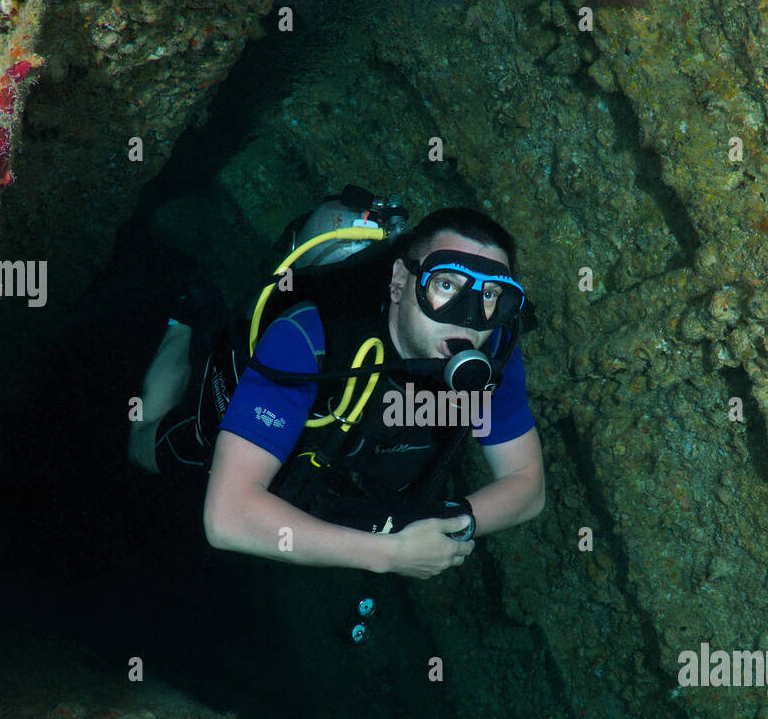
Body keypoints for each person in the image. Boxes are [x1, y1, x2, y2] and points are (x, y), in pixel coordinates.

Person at [130, 205, 545, 579]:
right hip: (274, 428)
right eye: (447, 286)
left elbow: (527, 484)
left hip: (340, 479)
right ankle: (183, 318)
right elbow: (228, 517)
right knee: (146, 448)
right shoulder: (311, 338)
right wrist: (389, 554)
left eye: (491, 295)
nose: (470, 320)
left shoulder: (491, 356)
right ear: (400, 282)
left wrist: (455, 521)